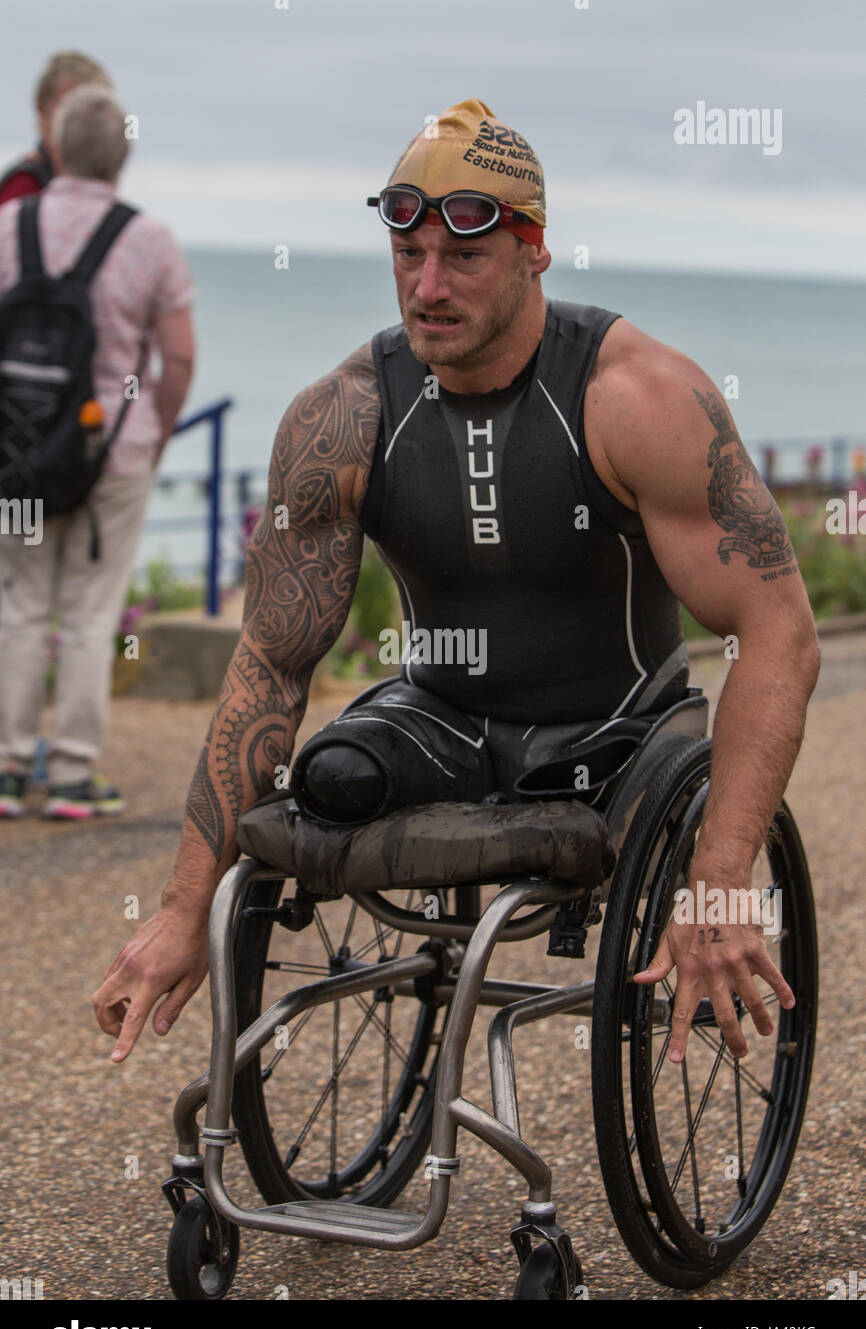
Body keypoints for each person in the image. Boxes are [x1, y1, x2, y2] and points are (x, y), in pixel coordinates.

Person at [93, 98, 820, 1071]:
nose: (427, 287)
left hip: (617, 731)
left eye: (463, 257)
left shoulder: (635, 398)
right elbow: (268, 665)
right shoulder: (341, 419)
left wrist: (721, 878)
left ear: (532, 253)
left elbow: (777, 631)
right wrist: (182, 910)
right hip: (445, 717)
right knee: (325, 782)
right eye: (408, 254)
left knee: (634, 791)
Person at [0, 84, 195, 818]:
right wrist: (156, 431)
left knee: (18, 604)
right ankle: (75, 775)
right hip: (109, 455)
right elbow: (177, 358)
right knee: (88, 612)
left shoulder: (9, 223)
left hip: (15, 460)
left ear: (55, 148)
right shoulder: (148, 241)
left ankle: (9, 768)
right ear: (124, 155)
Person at [0, 51, 112, 206]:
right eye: (70, 109)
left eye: (96, 111)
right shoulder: (24, 186)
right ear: (41, 109)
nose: (83, 121)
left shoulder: (97, 187)